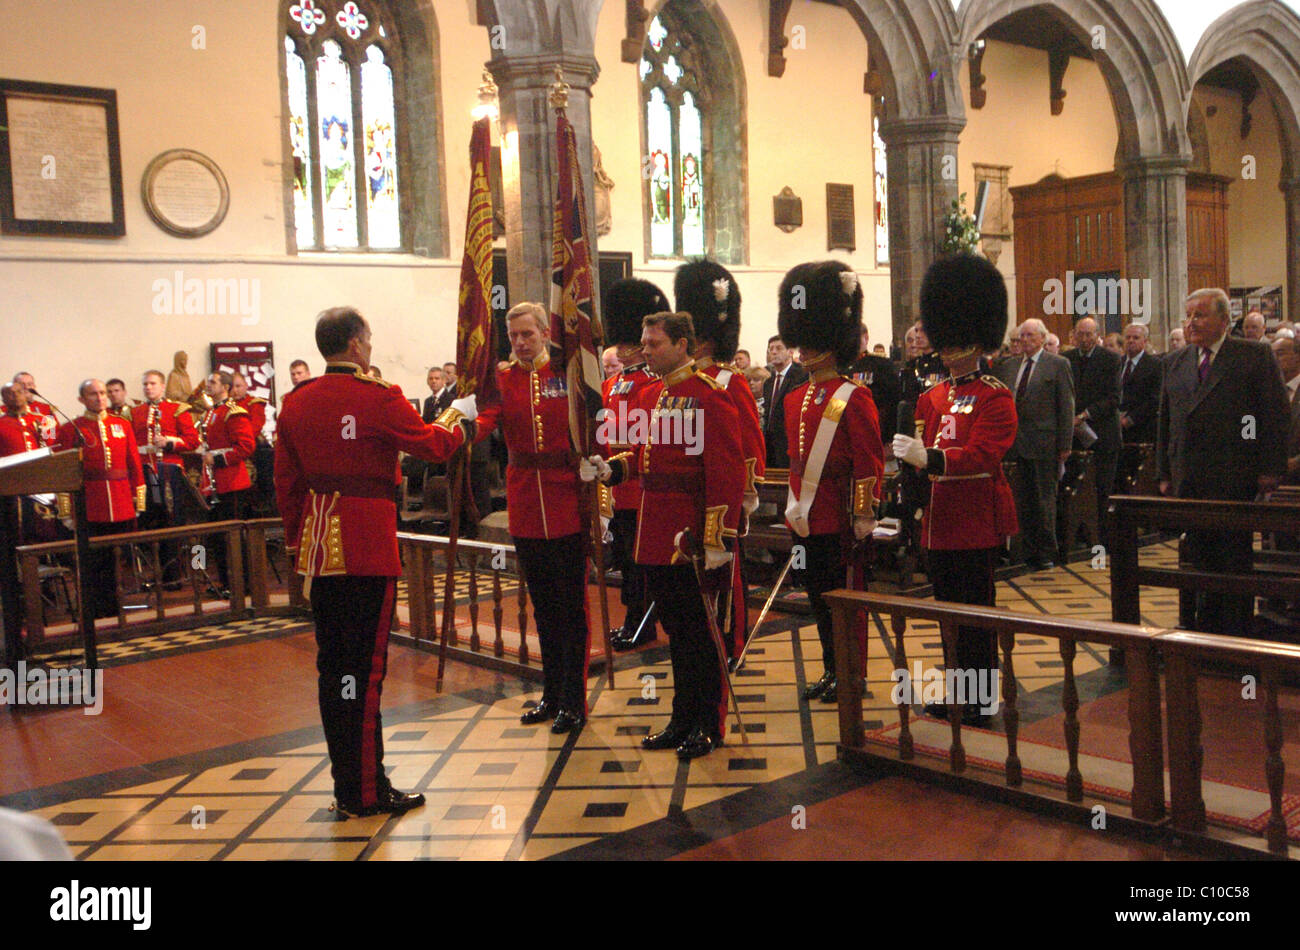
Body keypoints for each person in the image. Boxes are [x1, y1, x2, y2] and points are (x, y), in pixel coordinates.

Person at [275, 306, 475, 818]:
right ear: (358, 346)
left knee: (334, 671)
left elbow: (288, 485)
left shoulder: (296, 403)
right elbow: (435, 446)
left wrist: (300, 543)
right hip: (365, 547)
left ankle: (351, 782)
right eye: (369, 340)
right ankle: (364, 791)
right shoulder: (377, 397)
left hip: (320, 549)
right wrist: (466, 415)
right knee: (364, 675)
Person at [584, 310, 744, 759]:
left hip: (691, 534)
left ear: (681, 344)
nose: (646, 350)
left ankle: (707, 723)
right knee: (677, 630)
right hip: (655, 531)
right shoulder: (658, 395)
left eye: (654, 343)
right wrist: (612, 468)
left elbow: (725, 470)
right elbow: (646, 455)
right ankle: (681, 716)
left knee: (700, 633)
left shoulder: (708, 395)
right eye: (645, 342)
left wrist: (715, 537)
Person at [892, 254, 1018, 726]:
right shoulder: (933, 396)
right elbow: (920, 454)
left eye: (955, 344)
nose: (946, 353)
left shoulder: (995, 395)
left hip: (975, 521)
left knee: (976, 617)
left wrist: (933, 459)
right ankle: (959, 692)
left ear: (977, 343)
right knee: (948, 615)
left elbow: (986, 455)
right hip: (939, 522)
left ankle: (982, 699)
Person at [473, 302, 593, 734]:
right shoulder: (503, 381)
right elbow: (482, 420)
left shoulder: (568, 375)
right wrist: (453, 430)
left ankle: (574, 700)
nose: (521, 343)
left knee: (570, 609)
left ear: (545, 332)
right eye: (514, 337)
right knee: (543, 608)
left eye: (528, 334)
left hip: (566, 504)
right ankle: (552, 692)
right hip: (526, 504)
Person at [778, 262, 883, 704]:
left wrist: (864, 512)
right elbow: (797, 463)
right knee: (819, 600)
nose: (802, 350)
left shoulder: (853, 395)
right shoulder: (795, 398)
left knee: (844, 599)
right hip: (807, 515)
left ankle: (851, 673)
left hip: (838, 513)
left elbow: (869, 460)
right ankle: (830, 667)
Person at [1158, 288, 1289, 636]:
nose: (1191, 323)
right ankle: (1200, 629)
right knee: (1196, 557)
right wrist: (1163, 472)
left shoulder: (1253, 356)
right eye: (1187, 316)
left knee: (1232, 560)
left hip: (1235, 476)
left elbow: (1274, 415)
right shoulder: (1176, 361)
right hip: (1190, 478)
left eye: (1199, 315)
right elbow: (1165, 421)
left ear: (1223, 320)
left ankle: (1234, 633)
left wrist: (1270, 469)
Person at [675, 259, 765, 658]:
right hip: (688, 498)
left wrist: (741, 504)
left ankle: (732, 643)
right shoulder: (683, 382)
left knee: (726, 582)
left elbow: (749, 448)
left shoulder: (731, 381)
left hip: (722, 502)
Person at [598, 278, 671, 651]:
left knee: (642, 561)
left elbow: (653, 438)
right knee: (626, 561)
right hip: (616, 487)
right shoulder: (611, 386)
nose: (625, 349)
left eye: (631, 342)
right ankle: (634, 619)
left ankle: (641, 622)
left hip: (639, 485)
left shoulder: (654, 385)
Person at [54, 379, 146, 618]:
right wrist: (66, 511)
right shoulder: (71, 428)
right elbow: (63, 473)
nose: (100, 397)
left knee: (122, 558)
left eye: (102, 392)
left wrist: (139, 500)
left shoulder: (122, 425)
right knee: (95, 561)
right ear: (81, 399)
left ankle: (119, 605)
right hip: (91, 504)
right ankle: (98, 609)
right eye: (93, 394)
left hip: (121, 500)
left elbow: (134, 463)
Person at [995, 318, 1074, 570]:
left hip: (1044, 442)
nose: (1024, 341)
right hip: (1014, 442)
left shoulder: (1057, 364)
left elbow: (1066, 405)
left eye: (1030, 336)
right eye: (1021, 337)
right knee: (1019, 498)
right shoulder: (1009, 366)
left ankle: (1045, 552)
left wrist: (1065, 443)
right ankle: (1021, 549)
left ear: (1041, 337)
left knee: (1043, 499)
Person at [1066, 316, 1121, 543]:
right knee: (1077, 487)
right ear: (1075, 335)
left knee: (1102, 487)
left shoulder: (1110, 359)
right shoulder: (1066, 358)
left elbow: (1113, 398)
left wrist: (1085, 415)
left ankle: (1104, 537)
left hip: (1102, 433)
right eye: (1081, 334)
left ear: (1097, 335)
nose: (1085, 339)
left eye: (1089, 334)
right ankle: (1079, 534)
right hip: (1074, 433)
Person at [199, 371, 255, 594]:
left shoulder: (234, 412)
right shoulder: (211, 413)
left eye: (213, 382)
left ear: (226, 387)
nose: (209, 386)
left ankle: (241, 584)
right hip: (214, 482)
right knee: (218, 538)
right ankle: (226, 582)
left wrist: (218, 458)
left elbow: (246, 446)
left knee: (233, 537)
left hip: (232, 482)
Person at [131, 370, 200, 535]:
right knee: (150, 514)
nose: (148, 387)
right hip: (145, 471)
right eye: (145, 384)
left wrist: (169, 443)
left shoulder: (176, 409)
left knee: (172, 514)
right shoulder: (134, 412)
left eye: (152, 384)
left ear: (162, 387)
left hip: (169, 471)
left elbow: (193, 441)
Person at [847, 322, 901, 446]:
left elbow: (893, 402)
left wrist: (890, 438)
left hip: (875, 432)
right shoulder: (838, 368)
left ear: (865, 338)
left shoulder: (880, 364)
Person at [762, 334, 806, 469]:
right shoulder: (769, 382)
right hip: (769, 446)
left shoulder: (800, 376)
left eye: (779, 348)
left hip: (788, 445)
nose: (774, 352)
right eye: (771, 349)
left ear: (790, 352)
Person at [12, 372, 57, 444]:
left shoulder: (45, 409)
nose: (26, 387)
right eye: (22, 384)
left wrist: (42, 431)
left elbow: (52, 438)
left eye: (29, 384)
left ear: (34, 386)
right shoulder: (3, 410)